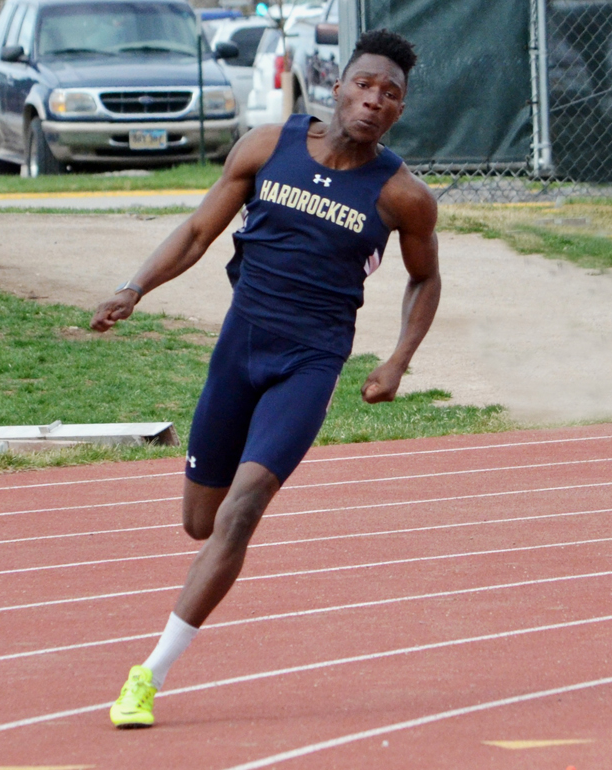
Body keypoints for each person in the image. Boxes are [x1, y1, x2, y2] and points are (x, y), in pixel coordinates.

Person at [90, 29, 438, 729]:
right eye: (366, 85)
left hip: (309, 364)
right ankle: (204, 571)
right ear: (338, 84)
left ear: (400, 109)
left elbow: (425, 279)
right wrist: (134, 288)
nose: (374, 101)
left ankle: (146, 676)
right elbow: (196, 232)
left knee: (242, 509)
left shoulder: (402, 194)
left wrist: (398, 358)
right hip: (239, 349)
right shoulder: (266, 146)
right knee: (200, 523)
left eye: (391, 94)